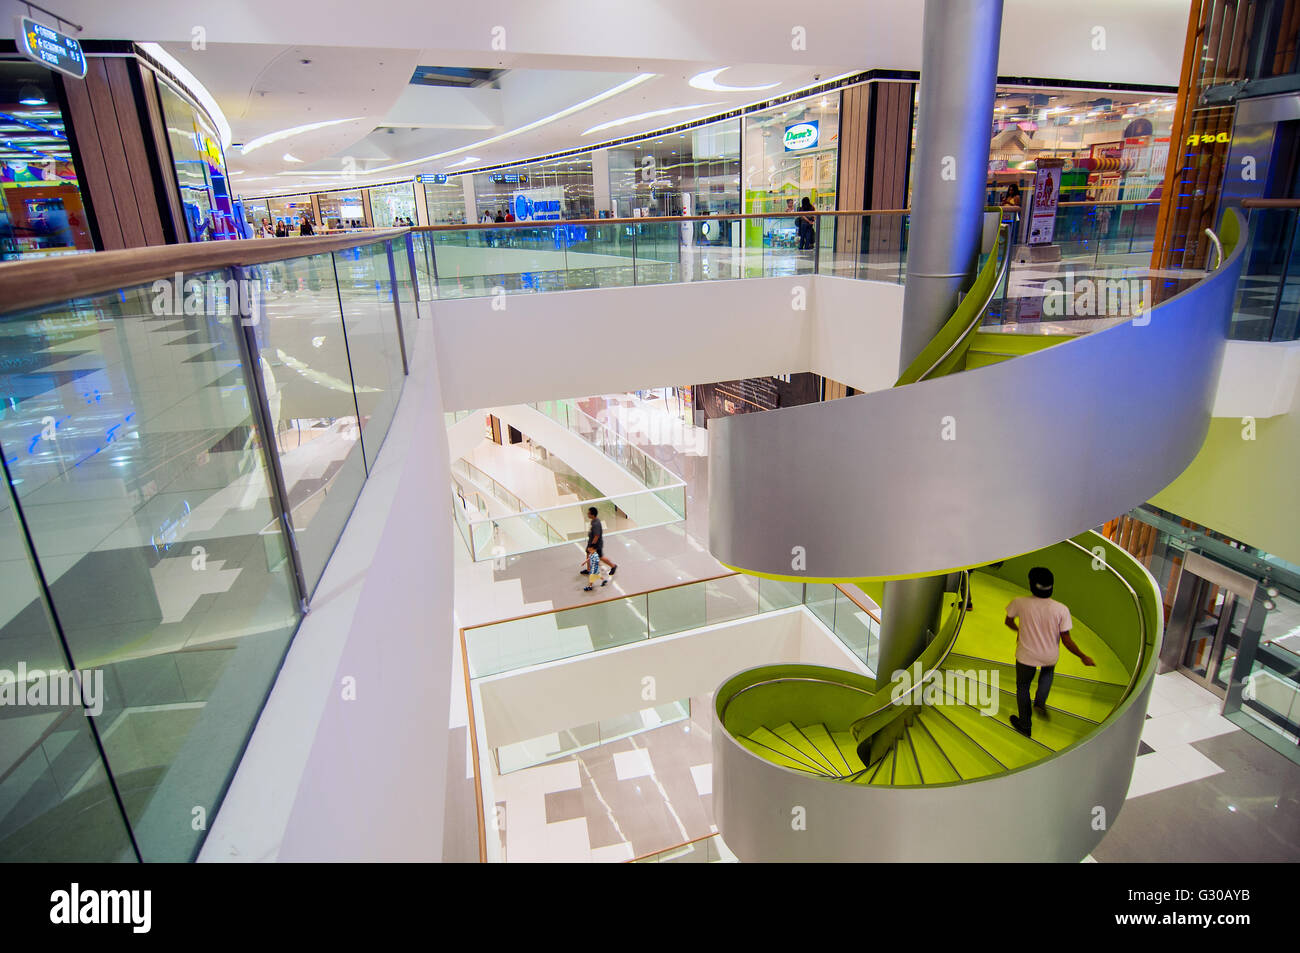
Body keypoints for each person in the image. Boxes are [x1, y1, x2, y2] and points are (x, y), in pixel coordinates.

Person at [1004, 567, 1094, 738]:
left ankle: (1025, 725)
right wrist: (1083, 656)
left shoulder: (1019, 602)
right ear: (1051, 587)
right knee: (1047, 674)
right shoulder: (1061, 609)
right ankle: (1040, 702)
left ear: (1031, 584)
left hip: (1026, 655)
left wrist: (1019, 630)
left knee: (1023, 687)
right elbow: (1066, 640)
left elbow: (1008, 621)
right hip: (1050, 656)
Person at [578, 506, 618, 577]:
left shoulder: (596, 523)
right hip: (592, 543)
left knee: (600, 557)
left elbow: (596, 536)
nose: (587, 514)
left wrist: (592, 546)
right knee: (588, 554)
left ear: (592, 515)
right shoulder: (594, 521)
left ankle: (613, 566)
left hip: (596, 545)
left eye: (589, 513)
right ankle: (589, 570)